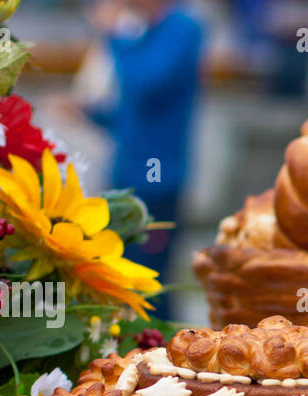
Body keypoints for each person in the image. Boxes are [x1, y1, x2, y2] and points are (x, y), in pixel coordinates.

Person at [86, 0, 204, 324]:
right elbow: (130, 114)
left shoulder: (183, 29)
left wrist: (112, 35)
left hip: (158, 183)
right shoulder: (145, 32)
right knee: (120, 281)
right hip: (125, 176)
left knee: (152, 282)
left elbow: (144, 85)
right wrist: (86, 111)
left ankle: (168, 355)